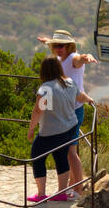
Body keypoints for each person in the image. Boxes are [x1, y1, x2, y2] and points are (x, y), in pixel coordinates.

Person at [36, 29, 97, 198]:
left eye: (61, 46)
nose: (57, 49)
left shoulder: (72, 59)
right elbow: (56, 49)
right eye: (55, 46)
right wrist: (48, 41)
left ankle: (77, 189)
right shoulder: (58, 58)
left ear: (69, 46)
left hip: (74, 110)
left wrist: (87, 57)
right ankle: (72, 185)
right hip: (64, 110)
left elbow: (80, 59)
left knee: (71, 151)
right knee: (67, 151)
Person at [26, 55, 93, 203]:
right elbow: (80, 96)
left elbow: (38, 111)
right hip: (69, 128)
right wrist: (88, 99)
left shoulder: (46, 88)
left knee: (37, 157)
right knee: (61, 156)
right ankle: (61, 192)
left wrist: (31, 129)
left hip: (50, 131)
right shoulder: (69, 82)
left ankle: (41, 194)